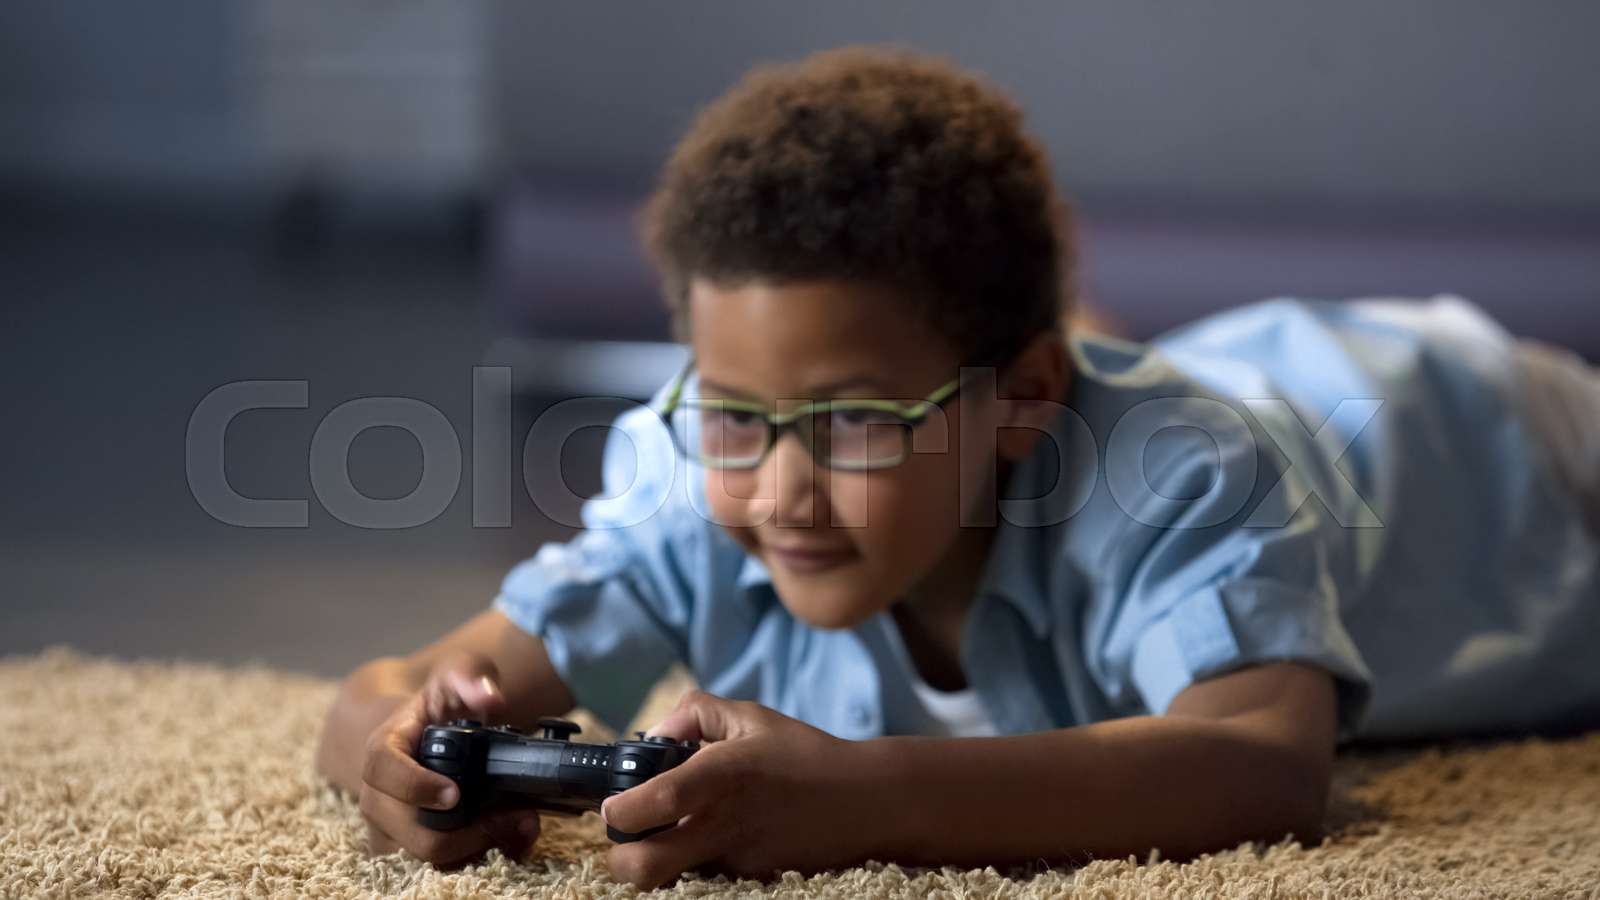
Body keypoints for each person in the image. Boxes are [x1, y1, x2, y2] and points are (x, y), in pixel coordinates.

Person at [314, 46, 1600, 889]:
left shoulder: (1181, 477)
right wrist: (395, 751)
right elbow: (396, 689)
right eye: (735, 415)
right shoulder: (686, 477)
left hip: (1482, 434)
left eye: (854, 420)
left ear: (1025, 396)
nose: (779, 488)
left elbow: (1263, 763)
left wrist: (861, 800)